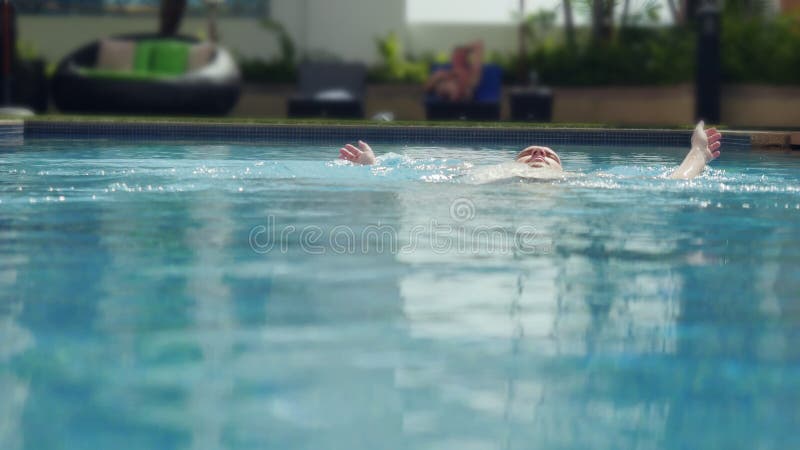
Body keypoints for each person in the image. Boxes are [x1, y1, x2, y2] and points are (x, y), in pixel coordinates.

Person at [338, 121, 723, 180]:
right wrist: (374, 165)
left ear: (562, 169)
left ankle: (697, 156)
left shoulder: (582, 182)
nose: (538, 153)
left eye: (548, 154)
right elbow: (413, 172)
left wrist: (692, 160)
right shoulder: (484, 171)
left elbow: (667, 187)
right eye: (530, 152)